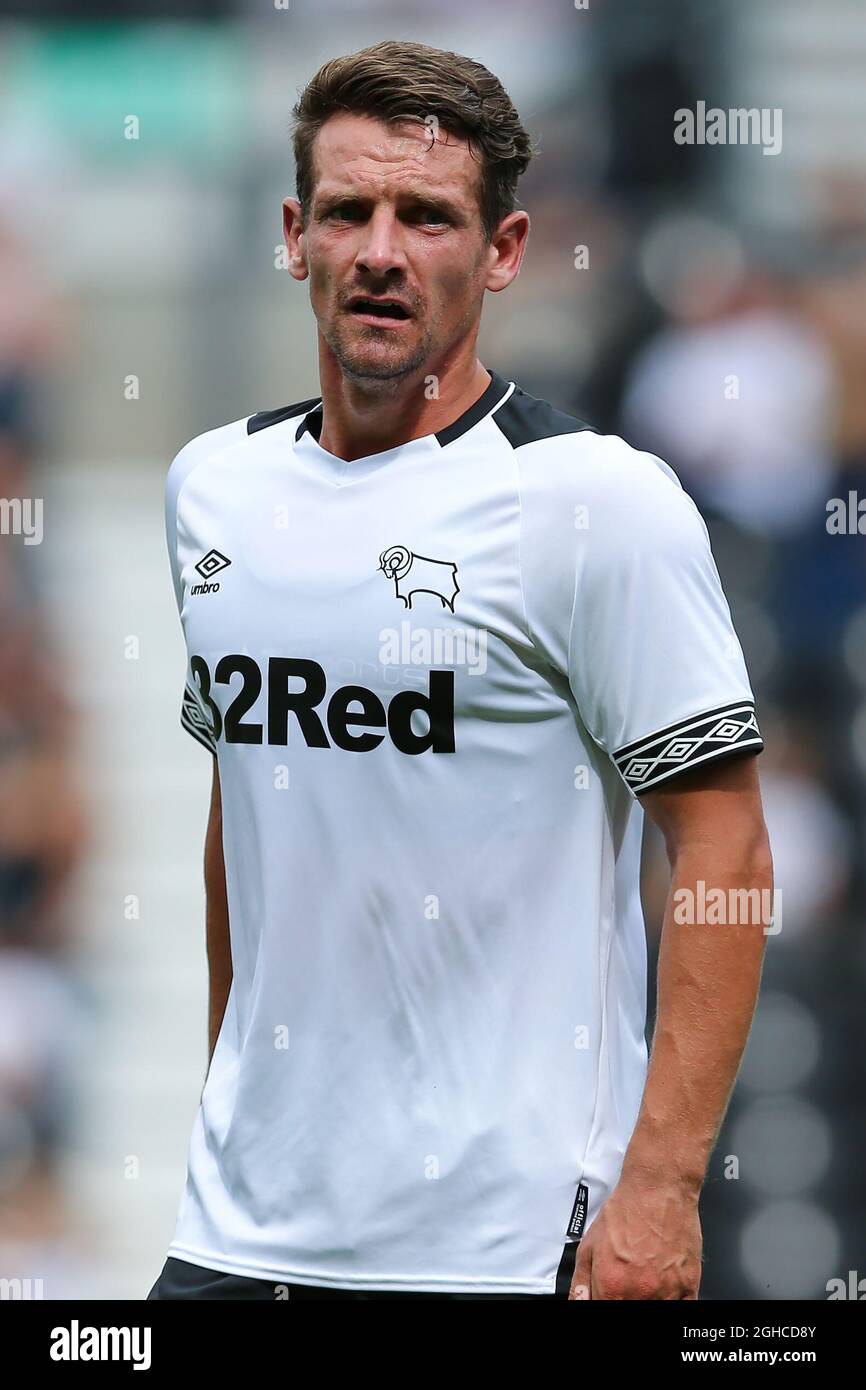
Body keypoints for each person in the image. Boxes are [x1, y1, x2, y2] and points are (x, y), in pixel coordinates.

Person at [147, 40, 772, 1301]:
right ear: (293, 234)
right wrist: (235, 1081)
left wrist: (659, 1184)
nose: (380, 249)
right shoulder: (208, 490)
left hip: (497, 1250)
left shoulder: (594, 502)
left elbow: (724, 848)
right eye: (347, 211)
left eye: (426, 215)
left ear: (501, 251)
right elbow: (247, 806)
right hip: (236, 1239)